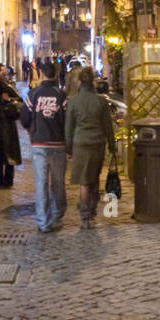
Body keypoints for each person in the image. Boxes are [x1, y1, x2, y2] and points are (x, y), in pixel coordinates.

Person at [65, 65, 117, 228]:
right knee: (94, 178)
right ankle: (92, 212)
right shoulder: (100, 101)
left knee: (84, 181)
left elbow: (69, 127)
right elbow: (108, 126)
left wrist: (68, 147)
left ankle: (85, 217)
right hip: (97, 143)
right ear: (93, 81)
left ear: (80, 82)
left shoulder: (73, 101)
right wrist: (112, 146)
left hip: (80, 144)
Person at [19, 60, 67, 232]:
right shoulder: (62, 96)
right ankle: (57, 215)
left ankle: (43, 222)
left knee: (41, 183)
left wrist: (31, 131)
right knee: (58, 183)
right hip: (58, 144)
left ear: (40, 74)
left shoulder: (33, 95)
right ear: (55, 75)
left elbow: (24, 117)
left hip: (39, 143)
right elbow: (67, 120)